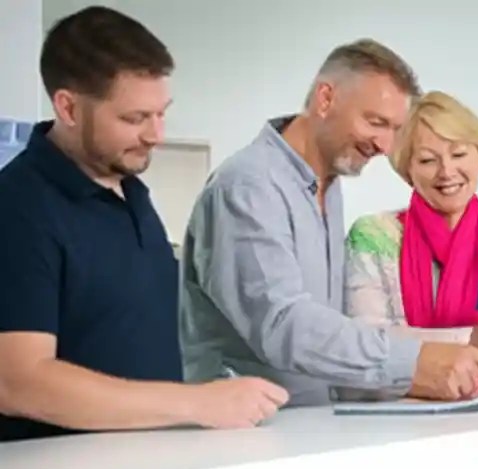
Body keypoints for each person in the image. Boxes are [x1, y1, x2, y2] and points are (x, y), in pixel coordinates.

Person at [0, 6, 288, 443]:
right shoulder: (18, 205)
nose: (156, 133)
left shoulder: (131, 191)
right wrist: (197, 403)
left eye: (161, 112)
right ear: (68, 107)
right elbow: (18, 381)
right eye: (135, 118)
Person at [180, 41, 478, 406]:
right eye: (375, 122)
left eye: (394, 129)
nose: (385, 145)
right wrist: (416, 362)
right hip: (247, 432)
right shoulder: (248, 187)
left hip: (313, 422)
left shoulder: (326, 185)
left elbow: (331, 325)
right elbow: (282, 325)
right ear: (325, 99)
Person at [344, 90, 478, 391]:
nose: (447, 172)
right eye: (427, 160)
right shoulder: (374, 236)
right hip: (400, 412)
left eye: (459, 154)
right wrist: (474, 337)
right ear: (407, 171)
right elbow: (365, 344)